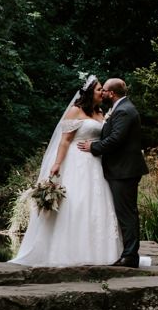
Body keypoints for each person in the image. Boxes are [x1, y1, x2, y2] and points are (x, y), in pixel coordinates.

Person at [10, 76, 122, 267]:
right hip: (77, 162)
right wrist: (57, 164)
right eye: (98, 90)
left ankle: (101, 253)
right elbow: (65, 140)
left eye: (103, 89)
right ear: (89, 93)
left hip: (96, 163)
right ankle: (70, 251)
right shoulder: (75, 111)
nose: (102, 93)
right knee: (76, 203)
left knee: (97, 203)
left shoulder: (100, 112)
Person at [77, 77, 145, 267]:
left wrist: (93, 147)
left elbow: (116, 140)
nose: (103, 93)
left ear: (112, 93)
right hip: (121, 169)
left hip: (124, 170)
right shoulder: (121, 108)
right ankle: (128, 253)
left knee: (127, 213)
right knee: (125, 212)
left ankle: (130, 256)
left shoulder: (124, 111)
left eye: (104, 90)